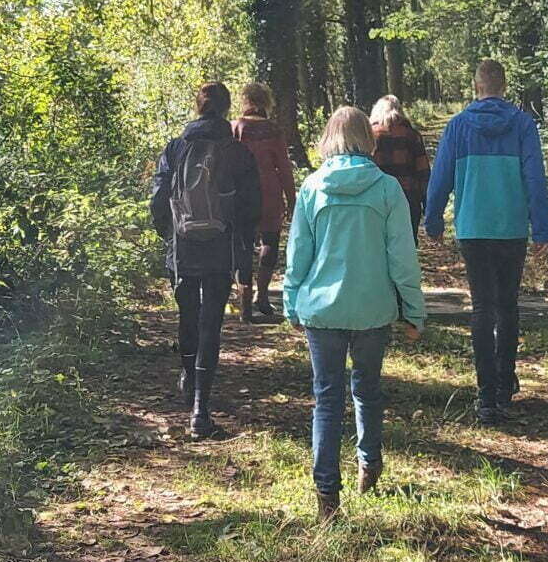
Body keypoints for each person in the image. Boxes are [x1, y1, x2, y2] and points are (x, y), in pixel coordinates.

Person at [282, 106, 427, 521]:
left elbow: (298, 257)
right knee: (367, 388)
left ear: (328, 139)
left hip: (321, 311)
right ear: (369, 139)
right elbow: (402, 258)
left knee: (326, 398)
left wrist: (291, 303)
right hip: (372, 309)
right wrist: (413, 312)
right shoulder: (386, 189)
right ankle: (370, 463)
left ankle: (327, 495)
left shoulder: (312, 187)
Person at [424, 59, 548, 426]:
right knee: (507, 306)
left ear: (476, 87)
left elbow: (440, 176)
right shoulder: (523, 125)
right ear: (504, 87)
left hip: (473, 227)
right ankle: (504, 389)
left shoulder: (458, 126)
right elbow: (535, 177)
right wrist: (540, 227)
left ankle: (486, 398)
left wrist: (432, 220)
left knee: (481, 308)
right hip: (511, 227)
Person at [150, 81, 262, 439]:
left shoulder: (175, 148)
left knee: (188, 318)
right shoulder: (237, 152)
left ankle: (188, 381)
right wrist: (244, 247)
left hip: (182, 248)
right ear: (228, 108)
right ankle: (201, 409)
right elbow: (251, 206)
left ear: (197, 107)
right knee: (211, 323)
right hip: (221, 246)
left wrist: (168, 236)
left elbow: (158, 200)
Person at [231, 82, 294, 324]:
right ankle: (263, 294)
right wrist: (292, 198)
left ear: (244, 100)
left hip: (240, 190)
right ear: (266, 102)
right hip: (269, 189)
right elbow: (284, 168)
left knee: (243, 244)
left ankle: (244, 295)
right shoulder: (273, 130)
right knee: (270, 240)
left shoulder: (234, 128)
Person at [369, 95, 431, 232]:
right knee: (407, 246)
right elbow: (423, 173)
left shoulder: (368, 136)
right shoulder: (412, 135)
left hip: (376, 200)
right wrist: (428, 207)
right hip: (408, 199)